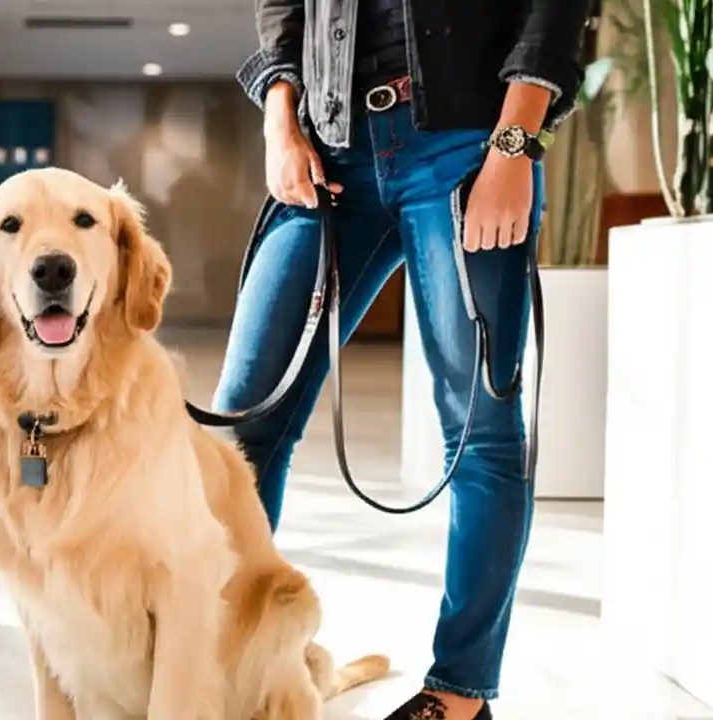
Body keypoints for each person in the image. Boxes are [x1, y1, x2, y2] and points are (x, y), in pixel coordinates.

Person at [213, 1, 590, 718]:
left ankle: (459, 692)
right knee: (242, 423)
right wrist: (279, 121)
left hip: (463, 146)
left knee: (480, 438)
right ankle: (224, 663)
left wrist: (514, 145)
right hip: (327, 146)